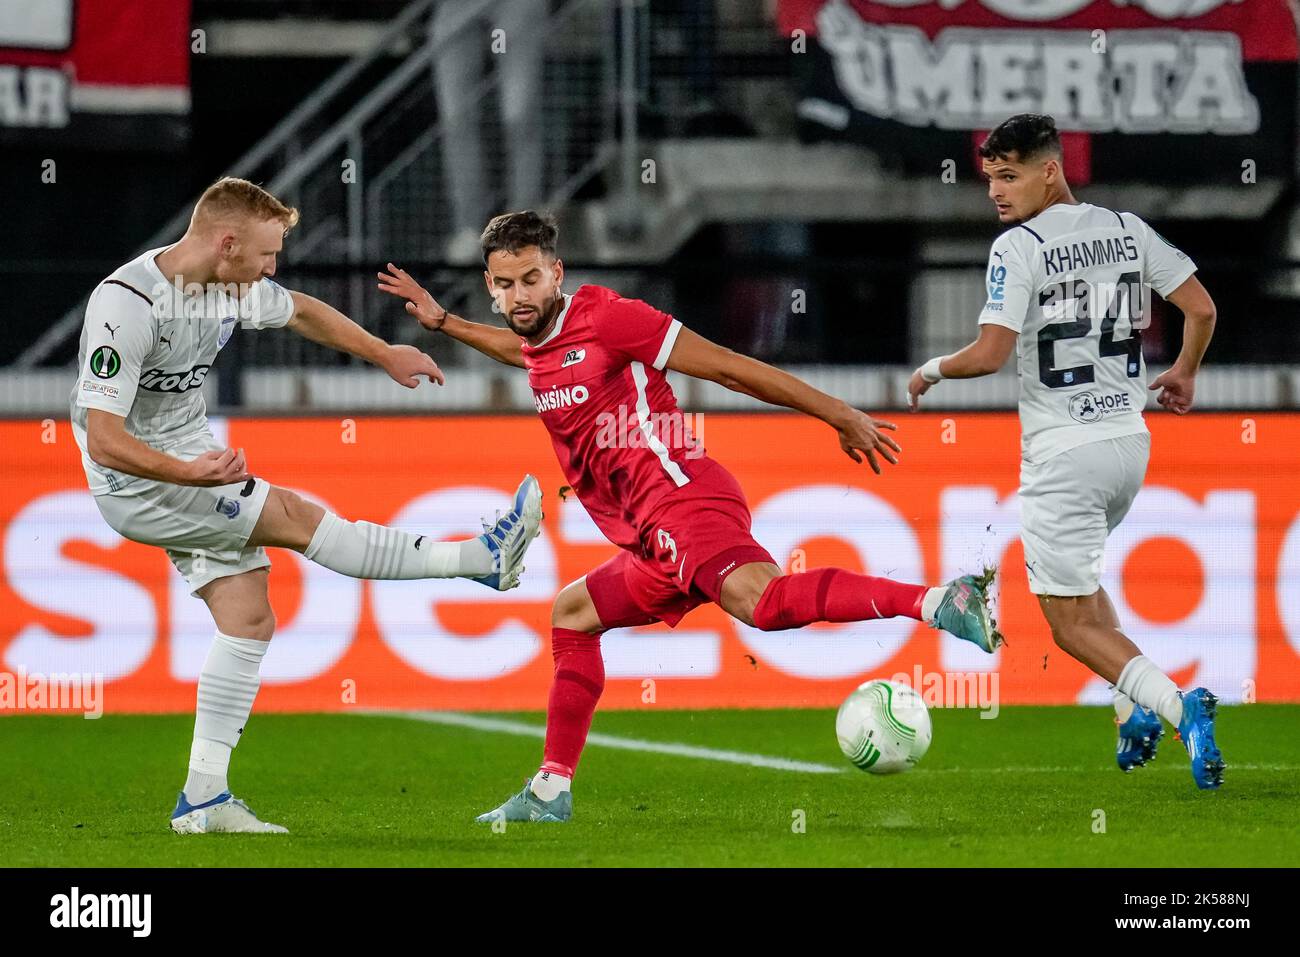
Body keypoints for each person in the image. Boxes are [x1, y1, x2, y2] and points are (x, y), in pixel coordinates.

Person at [378, 210, 1002, 823]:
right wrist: (443, 322)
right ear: (490, 284)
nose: (519, 296)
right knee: (572, 614)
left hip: (682, 497)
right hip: (650, 535)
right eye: (506, 284)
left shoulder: (610, 318)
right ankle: (549, 791)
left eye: (532, 279)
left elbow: (729, 366)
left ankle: (940, 602)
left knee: (764, 604)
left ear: (557, 272)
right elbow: (526, 353)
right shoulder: (538, 338)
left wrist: (836, 412)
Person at [71, 177, 543, 834]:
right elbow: (105, 437)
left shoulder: (232, 287)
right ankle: (479, 558)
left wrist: (383, 353)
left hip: (189, 460)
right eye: (265, 254)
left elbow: (298, 310)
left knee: (249, 617)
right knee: (295, 516)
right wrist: (191, 471)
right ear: (226, 242)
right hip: (137, 479)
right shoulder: (127, 306)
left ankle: (203, 798)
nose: (272, 267)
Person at [907, 113, 1224, 790]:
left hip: (1063, 456)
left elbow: (990, 354)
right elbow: (1201, 308)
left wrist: (932, 368)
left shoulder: (1016, 248)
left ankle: (1177, 706)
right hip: (1128, 446)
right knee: (1084, 589)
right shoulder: (1127, 229)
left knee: (1065, 622)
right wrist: (1186, 372)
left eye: (1010, 176)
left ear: (1050, 170)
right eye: (991, 177)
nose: (996, 191)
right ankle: (1129, 706)